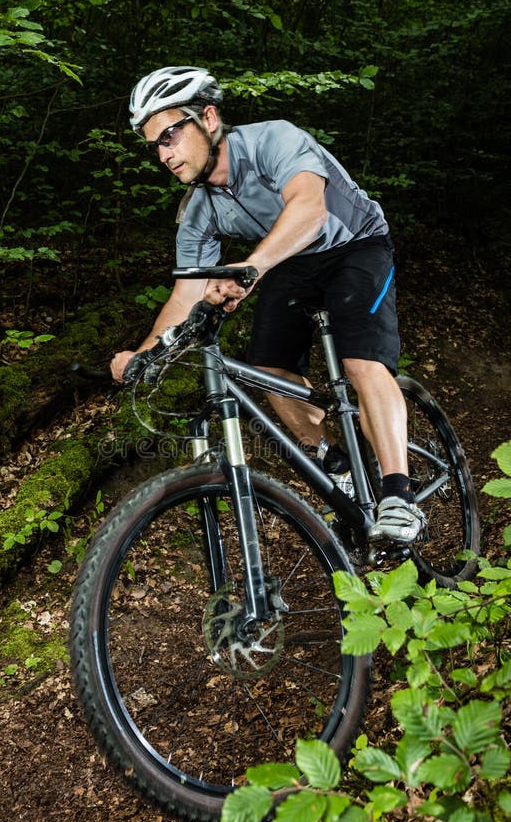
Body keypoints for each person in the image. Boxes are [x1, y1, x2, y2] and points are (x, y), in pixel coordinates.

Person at [111, 65, 425, 545]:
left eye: (170, 135)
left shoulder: (273, 140)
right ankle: (338, 467)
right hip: (290, 262)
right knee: (267, 369)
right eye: (154, 145)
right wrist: (145, 353)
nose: (163, 154)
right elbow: (186, 293)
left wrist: (251, 267)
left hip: (356, 245)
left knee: (361, 362)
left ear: (208, 118)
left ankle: (399, 495)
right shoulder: (199, 208)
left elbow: (309, 209)